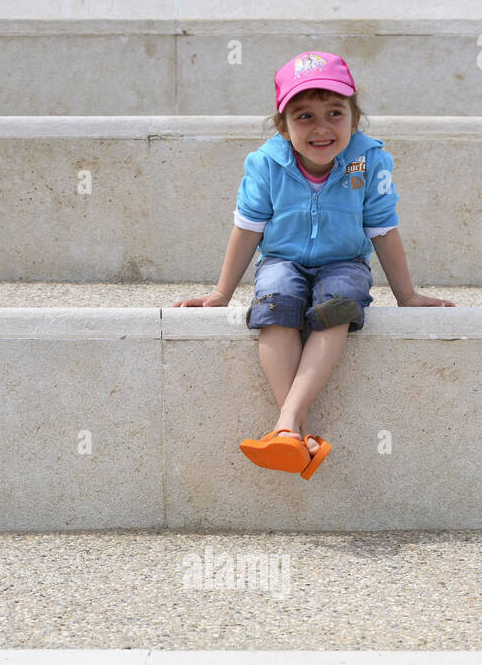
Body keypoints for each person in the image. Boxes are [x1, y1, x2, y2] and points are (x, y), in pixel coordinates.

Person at [173, 50, 455, 478]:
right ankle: (295, 434)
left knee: (337, 305)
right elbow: (248, 229)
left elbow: (382, 227)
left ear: (354, 119)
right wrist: (220, 294)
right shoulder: (266, 163)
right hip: (282, 260)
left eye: (335, 112)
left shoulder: (369, 159)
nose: (321, 127)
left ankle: (286, 427)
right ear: (283, 126)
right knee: (276, 303)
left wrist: (407, 295)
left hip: (344, 262)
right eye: (304, 115)